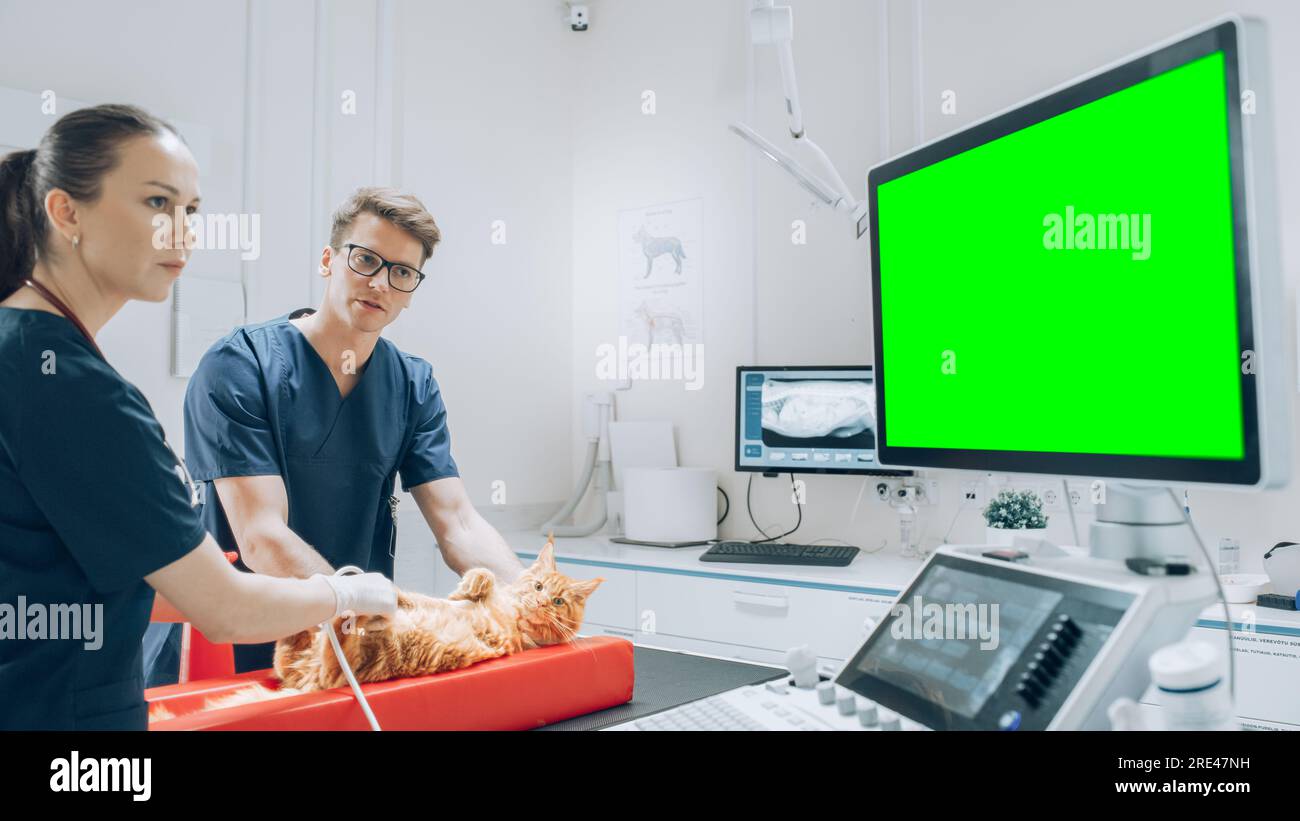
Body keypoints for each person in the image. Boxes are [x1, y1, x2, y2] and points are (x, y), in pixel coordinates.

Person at [0, 104, 397, 730]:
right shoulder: (74, 387)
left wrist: (196, 574)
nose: (182, 232)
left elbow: (70, 571)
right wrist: (349, 593)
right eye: (157, 203)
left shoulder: (23, 348)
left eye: (192, 212)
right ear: (65, 211)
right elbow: (225, 611)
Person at [169, 186, 526, 677]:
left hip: (353, 649)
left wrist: (531, 601)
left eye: (401, 272)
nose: (380, 283)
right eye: (366, 260)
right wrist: (358, 605)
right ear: (328, 260)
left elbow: (458, 525)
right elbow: (261, 537)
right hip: (242, 638)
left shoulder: (412, 384)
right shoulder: (240, 365)